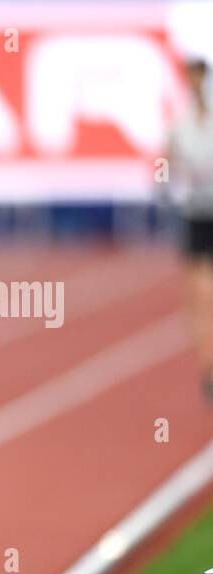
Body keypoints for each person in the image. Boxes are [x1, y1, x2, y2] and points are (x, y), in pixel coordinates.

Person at [165, 57, 213, 404]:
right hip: (195, 214)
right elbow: (163, 167)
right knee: (200, 299)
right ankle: (208, 369)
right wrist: (168, 185)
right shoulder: (179, 127)